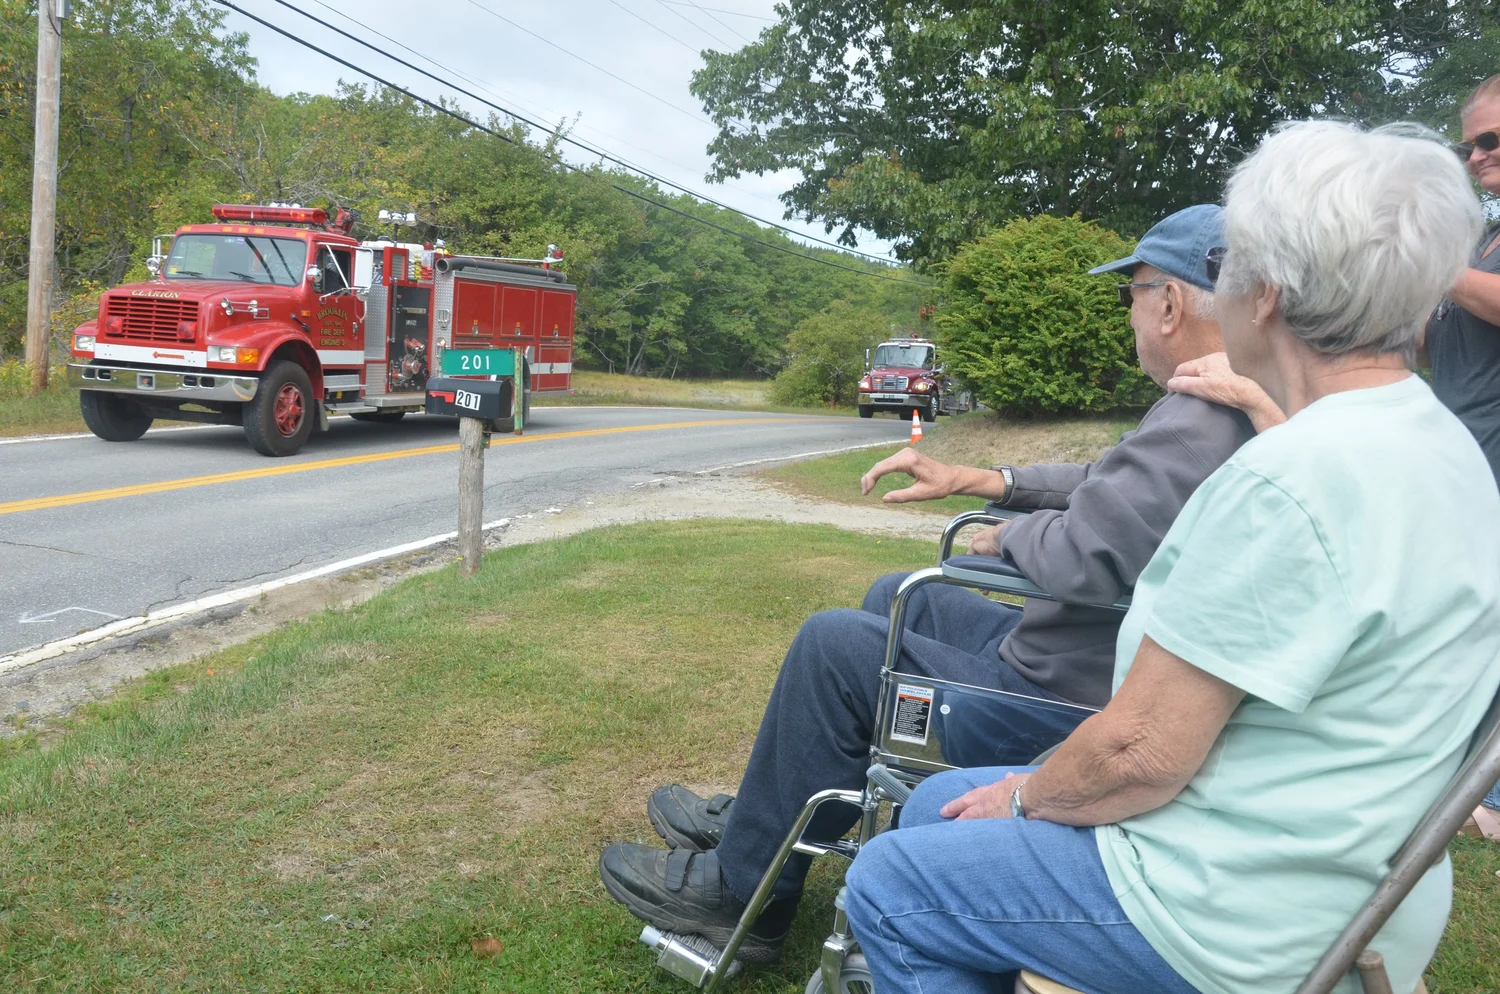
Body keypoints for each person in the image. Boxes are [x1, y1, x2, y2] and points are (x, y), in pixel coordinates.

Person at [842, 120, 1500, 994]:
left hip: (1238, 913)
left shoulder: (1292, 479)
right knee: (933, 806)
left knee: (892, 886)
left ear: (1263, 292)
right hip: (1371, 877)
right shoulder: (1441, 446)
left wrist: (1026, 799)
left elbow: (1139, 755)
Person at [597, 205, 1262, 963]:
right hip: (1073, 658)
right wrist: (986, 479)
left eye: (1133, 293)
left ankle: (742, 894)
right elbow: (1105, 485)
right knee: (890, 594)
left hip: (1063, 703)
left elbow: (1087, 556)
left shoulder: (1198, 419)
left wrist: (1010, 534)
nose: (1132, 313)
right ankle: (768, 814)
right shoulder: (1221, 405)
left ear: (1169, 302)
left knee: (835, 648)